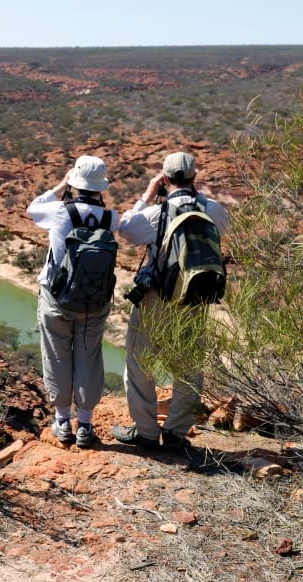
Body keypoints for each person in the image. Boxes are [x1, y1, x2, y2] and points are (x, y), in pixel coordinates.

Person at [111, 151, 230, 451]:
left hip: (157, 299)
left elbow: (125, 230)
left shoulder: (158, 212)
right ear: (194, 178)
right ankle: (176, 433)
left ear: (165, 179)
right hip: (193, 299)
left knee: (140, 363)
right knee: (189, 367)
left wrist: (148, 195)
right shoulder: (212, 209)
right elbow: (223, 229)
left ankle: (148, 433)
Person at [27, 155, 118, 448]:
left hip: (57, 298)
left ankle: (63, 422)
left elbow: (32, 209)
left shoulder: (58, 211)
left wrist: (59, 184)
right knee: (88, 358)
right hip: (95, 302)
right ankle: (86, 425)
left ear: (75, 182)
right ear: (101, 187)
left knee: (56, 355)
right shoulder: (110, 218)